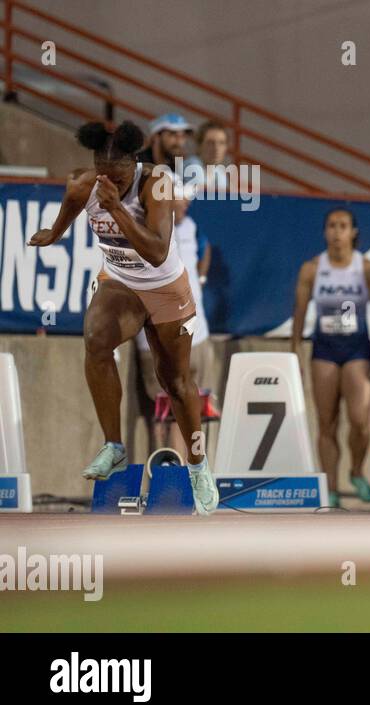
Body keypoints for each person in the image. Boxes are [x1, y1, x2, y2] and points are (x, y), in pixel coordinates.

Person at [28, 120, 217, 514]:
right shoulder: (84, 183)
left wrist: (116, 209)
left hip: (165, 286)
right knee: (96, 340)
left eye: (115, 175)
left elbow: (157, 251)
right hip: (121, 281)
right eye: (101, 172)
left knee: (176, 382)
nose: (107, 181)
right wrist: (54, 233)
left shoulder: (157, 184)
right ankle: (114, 445)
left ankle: (198, 468)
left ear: (133, 166)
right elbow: (70, 209)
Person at [292, 208, 370, 507]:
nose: (336, 232)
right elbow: (299, 313)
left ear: (353, 232)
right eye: (331, 226)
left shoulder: (368, 268)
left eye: (343, 226)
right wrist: (295, 350)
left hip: (357, 348)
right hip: (324, 349)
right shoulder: (311, 268)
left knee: (360, 421)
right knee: (326, 423)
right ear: (324, 232)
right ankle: (330, 489)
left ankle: (357, 471)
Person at [133, 187, 216, 454]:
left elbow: (206, 250)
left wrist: (200, 281)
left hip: (196, 334)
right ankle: (173, 481)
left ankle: (189, 479)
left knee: (194, 413)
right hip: (159, 339)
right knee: (167, 415)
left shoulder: (190, 228)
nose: (186, 206)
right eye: (181, 201)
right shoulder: (141, 232)